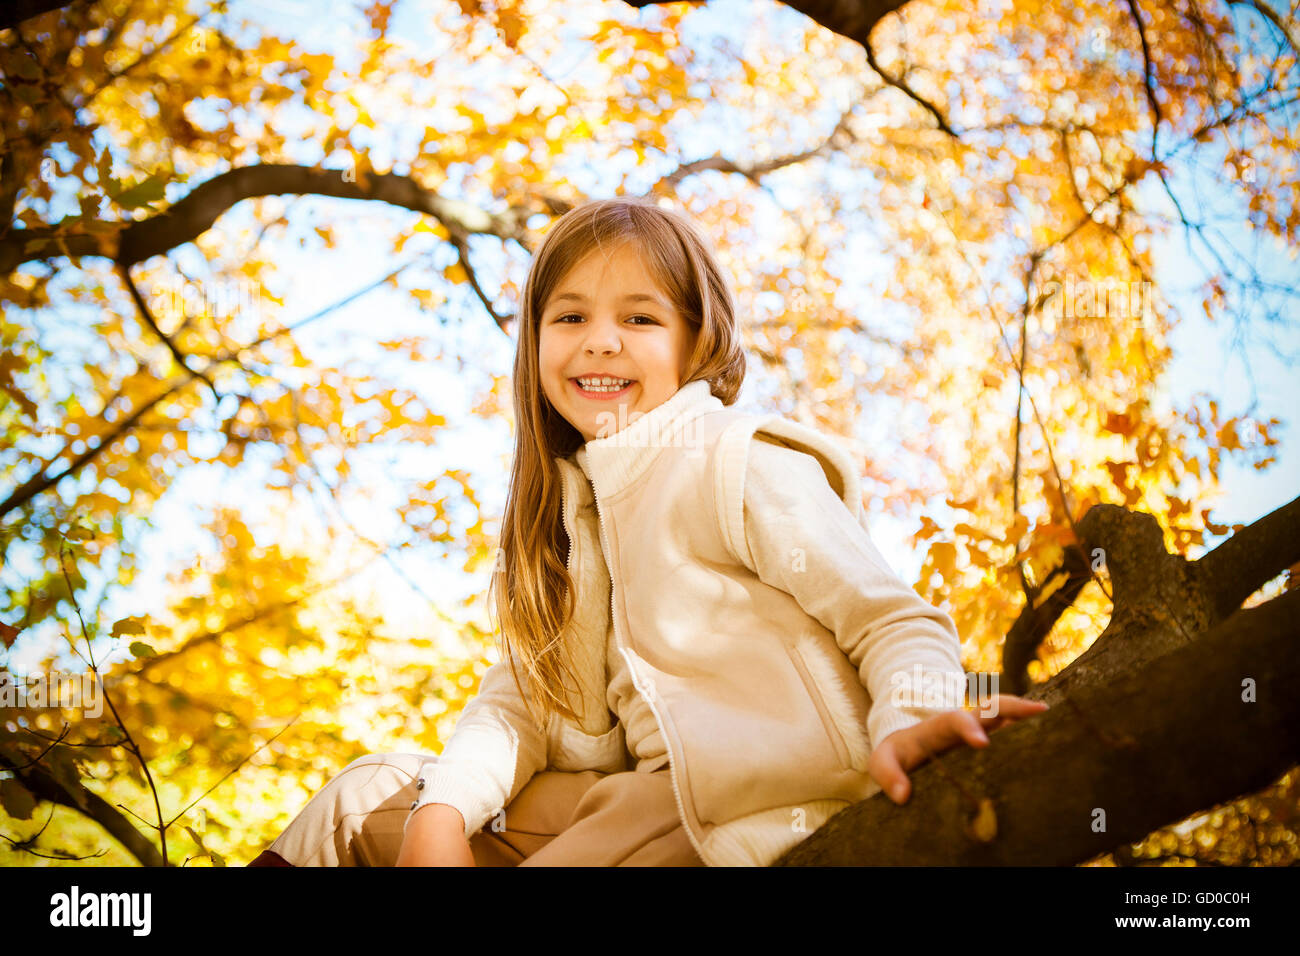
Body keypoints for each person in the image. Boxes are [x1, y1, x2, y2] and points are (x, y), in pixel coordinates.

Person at [248, 197, 1047, 868]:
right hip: (630, 803)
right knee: (362, 798)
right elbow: (519, 705)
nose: (601, 339)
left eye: (639, 316)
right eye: (571, 315)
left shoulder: (735, 462)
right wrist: (444, 813)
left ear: (696, 343)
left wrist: (908, 725)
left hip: (748, 813)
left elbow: (892, 621)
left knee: (636, 819)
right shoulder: (569, 516)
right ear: (536, 348)